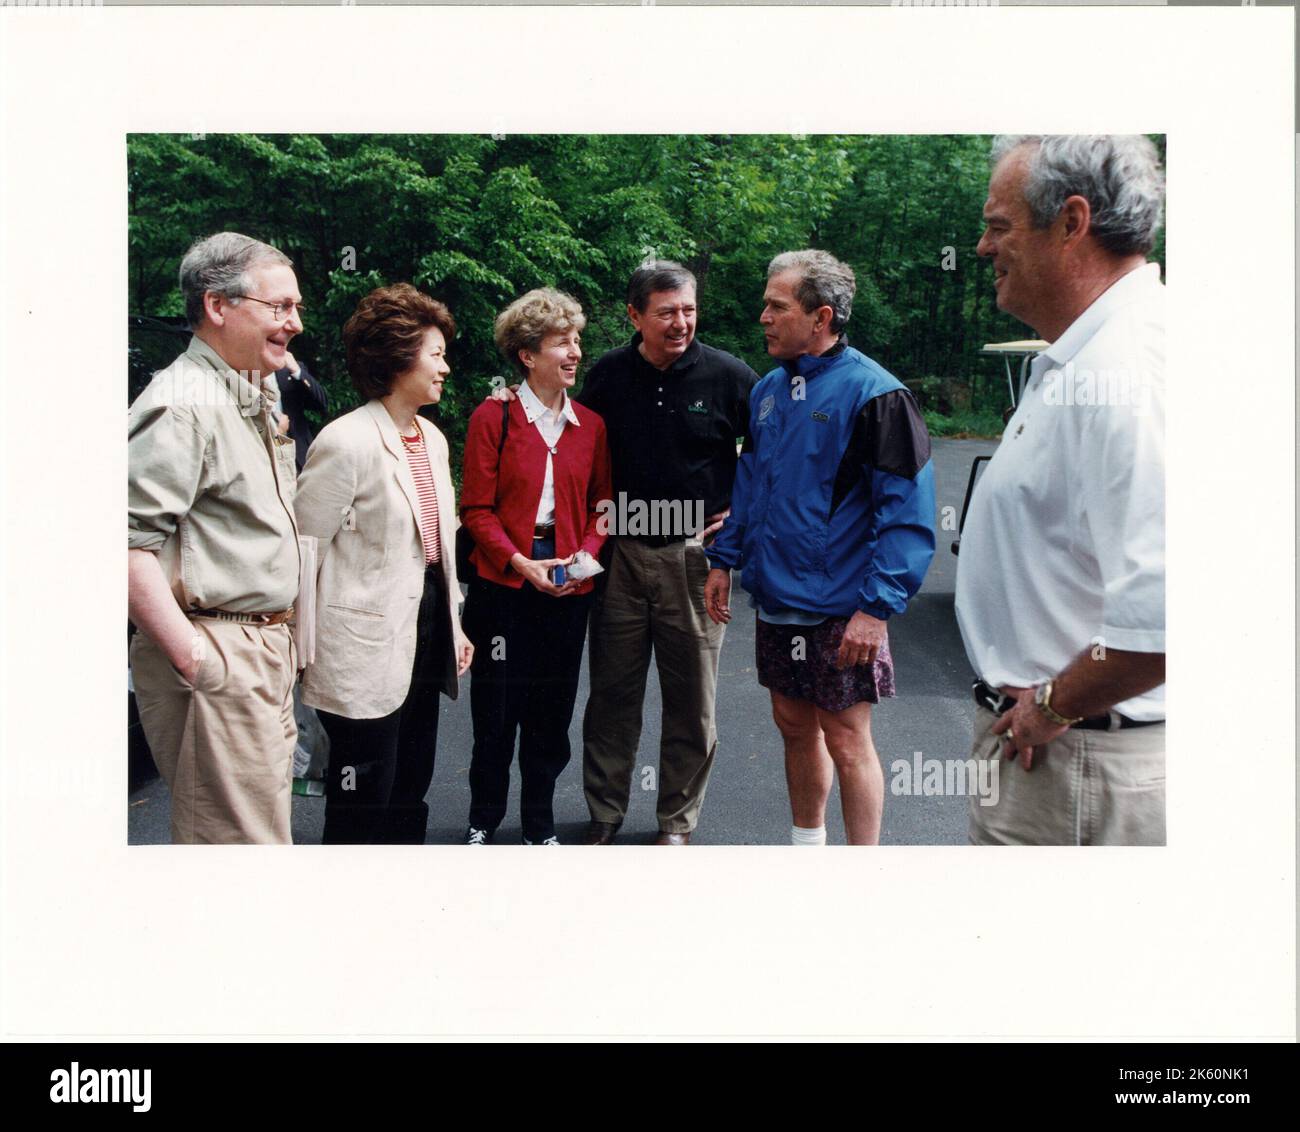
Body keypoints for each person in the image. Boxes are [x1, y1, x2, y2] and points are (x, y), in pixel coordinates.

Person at [955, 135, 1166, 845]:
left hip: (1076, 765)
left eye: (997, 226)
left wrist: (1052, 705)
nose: (983, 248)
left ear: (1072, 223)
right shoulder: (1088, 355)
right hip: (1066, 757)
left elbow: (1166, 619)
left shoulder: (1126, 372)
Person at [704, 249, 936, 846]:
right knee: (792, 726)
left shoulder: (879, 396)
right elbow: (749, 486)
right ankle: (807, 851)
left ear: (821, 316)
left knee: (847, 736)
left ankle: (862, 874)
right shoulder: (767, 394)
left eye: (776, 306)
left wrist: (877, 607)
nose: (763, 316)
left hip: (843, 603)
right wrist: (724, 559)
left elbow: (906, 515)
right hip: (779, 594)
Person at [128, 232, 304, 844]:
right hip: (219, 654)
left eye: (297, 308)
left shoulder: (246, 390)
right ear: (217, 305)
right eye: (280, 307)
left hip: (260, 653)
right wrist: (195, 659)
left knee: (256, 840)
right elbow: (122, 544)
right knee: (235, 856)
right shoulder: (183, 403)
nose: (295, 323)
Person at [577, 261, 758, 844]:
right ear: (635, 315)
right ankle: (604, 813)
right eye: (666, 313)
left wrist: (743, 512)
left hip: (695, 555)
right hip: (621, 552)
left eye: (689, 310)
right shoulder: (606, 376)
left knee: (692, 701)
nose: (681, 323)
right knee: (612, 694)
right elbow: (579, 453)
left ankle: (677, 822)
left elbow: (767, 459)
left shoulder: (732, 377)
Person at [294, 283, 473, 844]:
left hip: (424, 632)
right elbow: (303, 550)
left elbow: (438, 546)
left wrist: (457, 625)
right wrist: (296, 652)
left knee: (411, 782)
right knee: (363, 793)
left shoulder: (433, 439)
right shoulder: (345, 441)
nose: (446, 367)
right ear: (398, 357)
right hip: (360, 648)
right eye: (436, 354)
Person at [460, 289, 612, 845]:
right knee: (497, 711)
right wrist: (519, 562)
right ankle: (483, 819)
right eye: (561, 343)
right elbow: (475, 508)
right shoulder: (493, 417)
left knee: (551, 716)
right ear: (527, 355)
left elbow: (605, 506)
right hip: (504, 588)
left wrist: (587, 557)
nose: (575, 352)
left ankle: (539, 825)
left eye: (577, 341)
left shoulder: (590, 425)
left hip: (568, 593)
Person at [273, 350, 329, 472]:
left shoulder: (287, 368)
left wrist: (297, 371)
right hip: (265, 456)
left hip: (298, 456)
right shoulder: (246, 372)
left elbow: (321, 403)